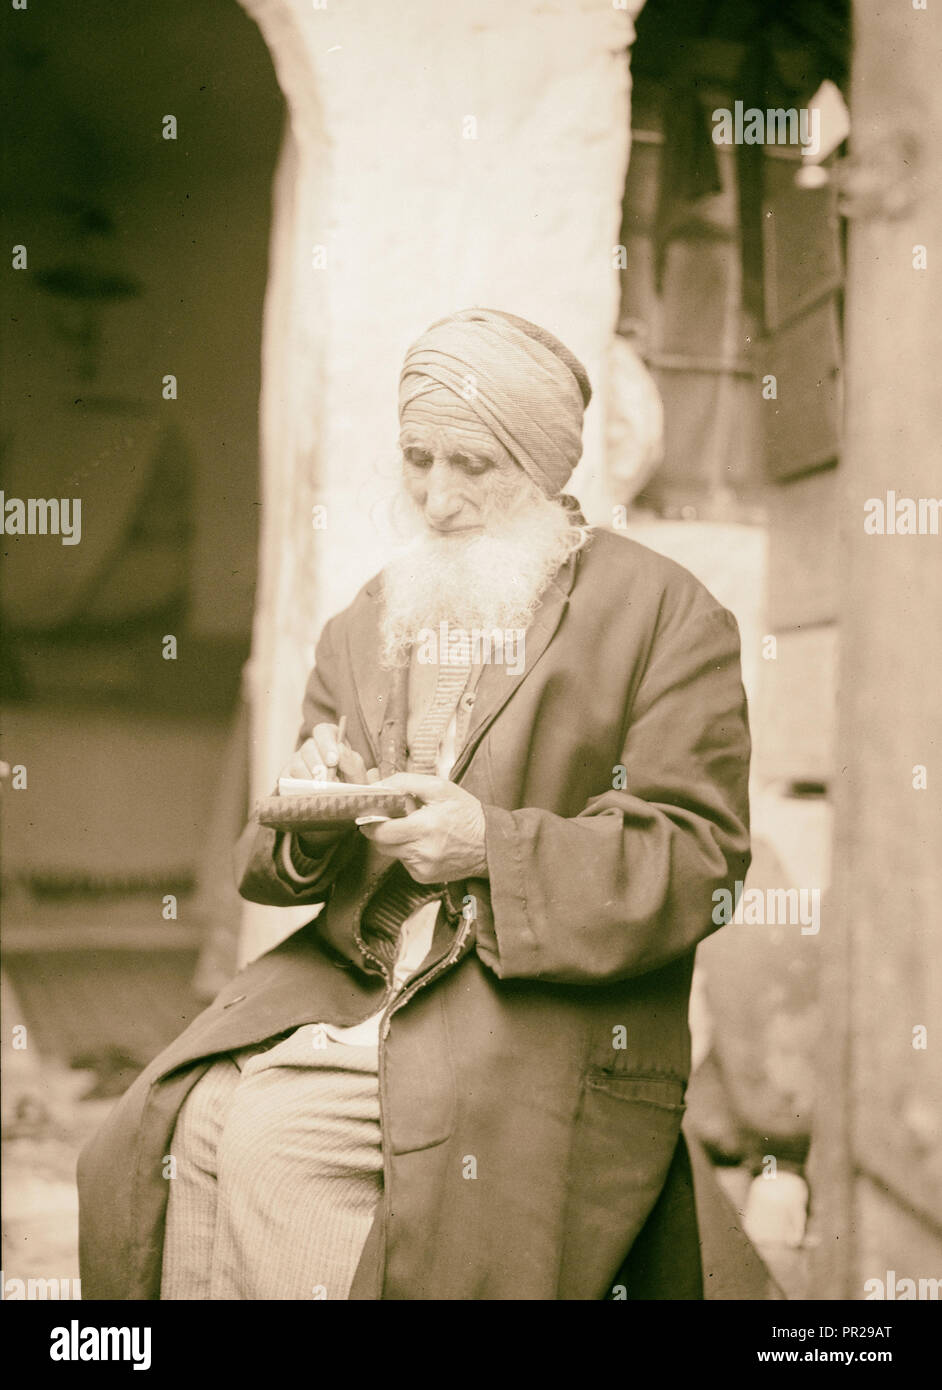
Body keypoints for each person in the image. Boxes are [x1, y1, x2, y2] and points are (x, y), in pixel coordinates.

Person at [77, 307, 751, 1300]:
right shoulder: (372, 616)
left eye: (473, 464)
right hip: (359, 984)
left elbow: (699, 861)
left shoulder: (663, 612)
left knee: (270, 1142)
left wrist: (494, 845)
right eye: (417, 459)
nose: (437, 499)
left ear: (546, 464)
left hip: (530, 1014)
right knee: (165, 1126)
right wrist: (312, 806)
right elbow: (262, 863)